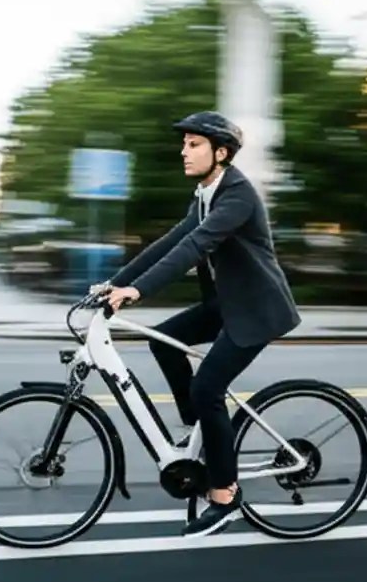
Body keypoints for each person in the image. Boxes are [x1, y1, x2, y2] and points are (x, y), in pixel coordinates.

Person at [94, 111, 301, 537]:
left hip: (256, 310)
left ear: (220, 153)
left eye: (194, 144)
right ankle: (203, 433)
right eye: (184, 143)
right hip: (227, 303)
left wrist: (139, 292)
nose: (183, 151)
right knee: (164, 341)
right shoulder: (206, 194)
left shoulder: (237, 195)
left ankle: (224, 495)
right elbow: (170, 242)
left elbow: (196, 246)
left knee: (207, 387)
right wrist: (116, 283)